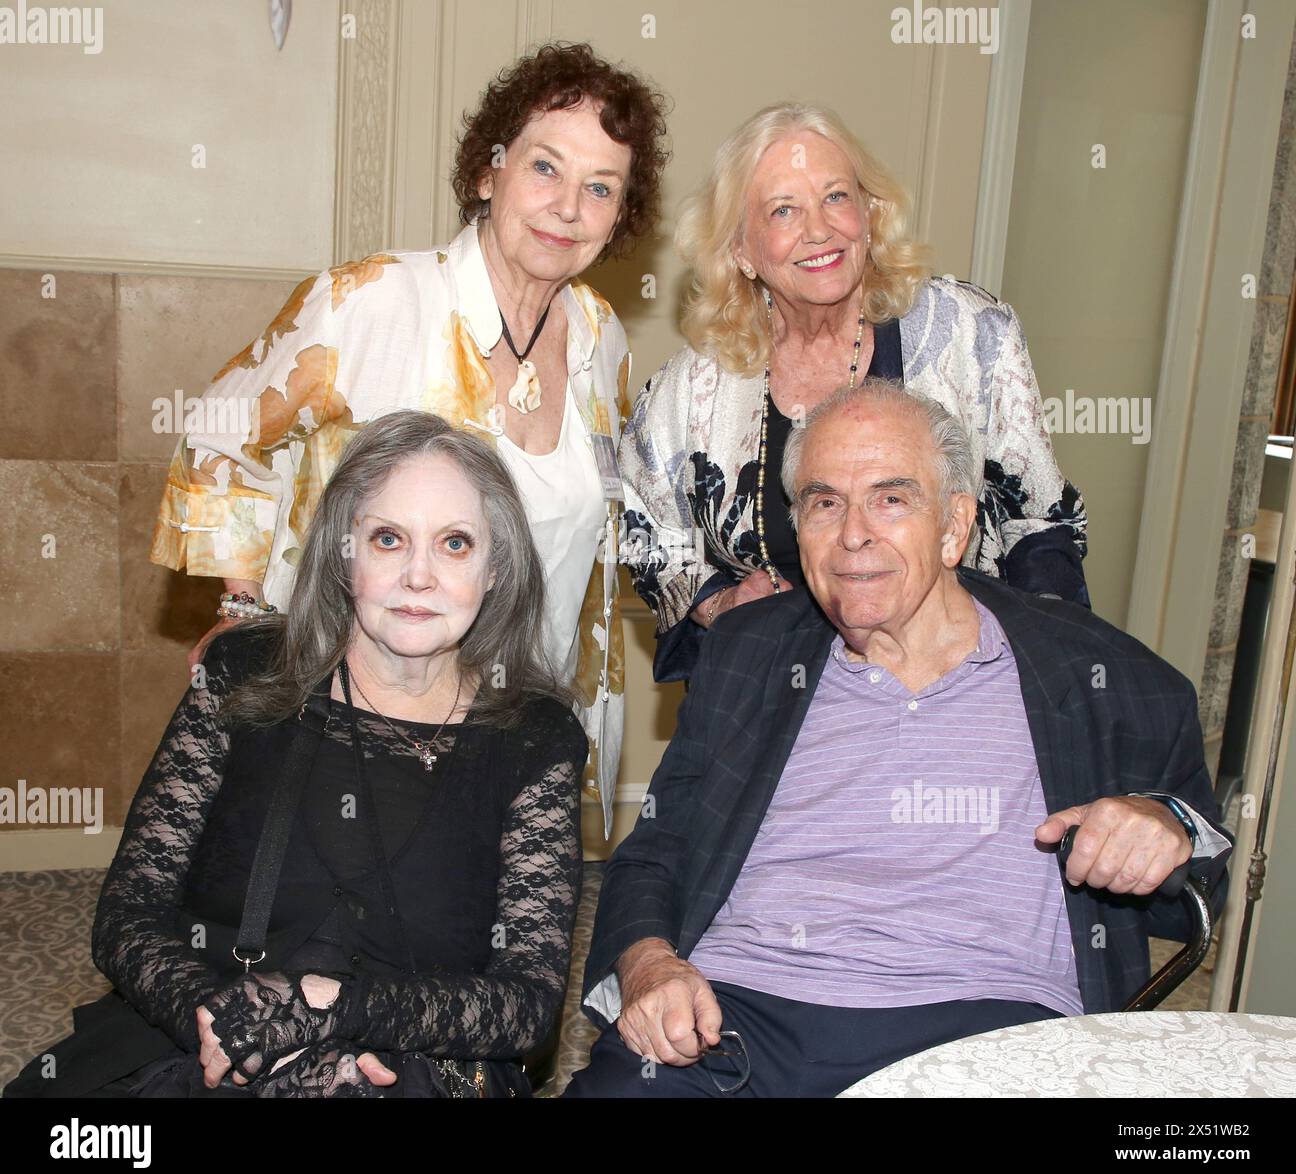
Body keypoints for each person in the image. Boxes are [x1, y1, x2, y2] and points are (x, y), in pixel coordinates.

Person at [565, 380, 1231, 1098]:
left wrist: (1167, 825)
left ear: (954, 526)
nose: (854, 535)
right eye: (825, 502)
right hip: (733, 1020)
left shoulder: (1098, 674)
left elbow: (1195, 884)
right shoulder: (748, 652)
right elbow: (654, 852)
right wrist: (649, 965)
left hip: (983, 1031)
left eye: (891, 498)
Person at [149, 41, 669, 832]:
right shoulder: (374, 300)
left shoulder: (603, 342)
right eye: (545, 168)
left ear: (621, 215)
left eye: (600, 187)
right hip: (349, 713)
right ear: (488, 172)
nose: (568, 207)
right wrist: (244, 608)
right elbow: (222, 432)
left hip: (517, 730)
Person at [5, 412, 587, 1098]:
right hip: (199, 1034)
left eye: (455, 543)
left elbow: (526, 1004)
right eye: (388, 538)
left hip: (413, 1062)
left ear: (496, 570)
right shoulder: (243, 675)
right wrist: (240, 1026)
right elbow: (128, 914)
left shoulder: (535, 737)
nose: (419, 576)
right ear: (345, 556)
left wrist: (323, 1012)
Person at [620, 102, 1089, 684]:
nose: (819, 229)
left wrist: (1054, 677)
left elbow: (1039, 522)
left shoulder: (970, 332)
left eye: (836, 197)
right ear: (740, 250)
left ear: (869, 212)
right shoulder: (690, 389)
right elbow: (644, 529)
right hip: (771, 697)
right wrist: (719, 604)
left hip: (961, 682)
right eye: (783, 209)